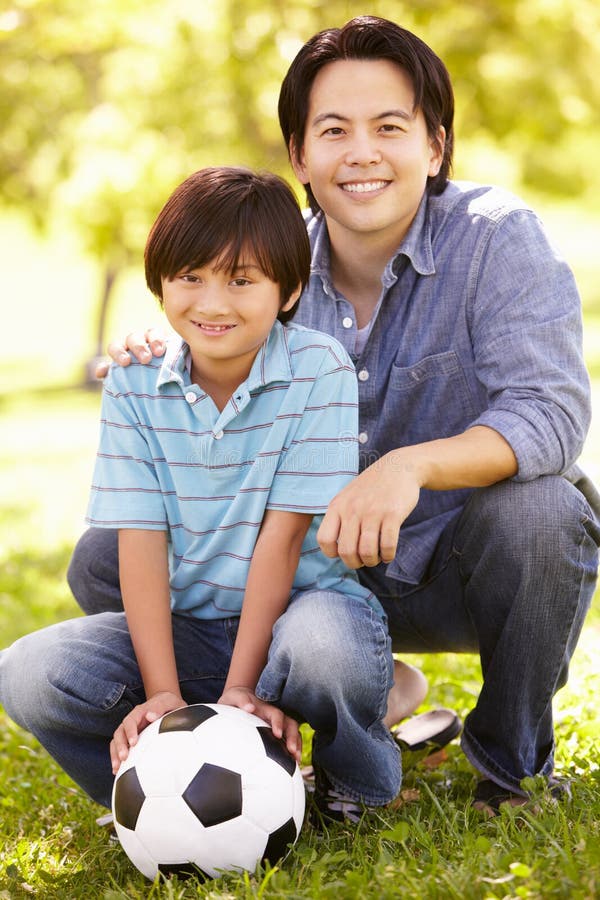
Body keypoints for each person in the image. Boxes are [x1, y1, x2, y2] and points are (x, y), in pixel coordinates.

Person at [82, 15, 599, 816]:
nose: (361, 153)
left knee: (546, 512)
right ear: (300, 156)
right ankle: (260, 725)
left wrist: (412, 465)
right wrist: (169, 338)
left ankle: (509, 766)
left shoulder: (497, 241)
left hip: (456, 563)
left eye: (389, 127)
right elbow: (207, 329)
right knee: (104, 556)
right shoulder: (268, 269)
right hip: (302, 576)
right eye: (334, 130)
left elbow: (552, 413)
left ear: (434, 147)